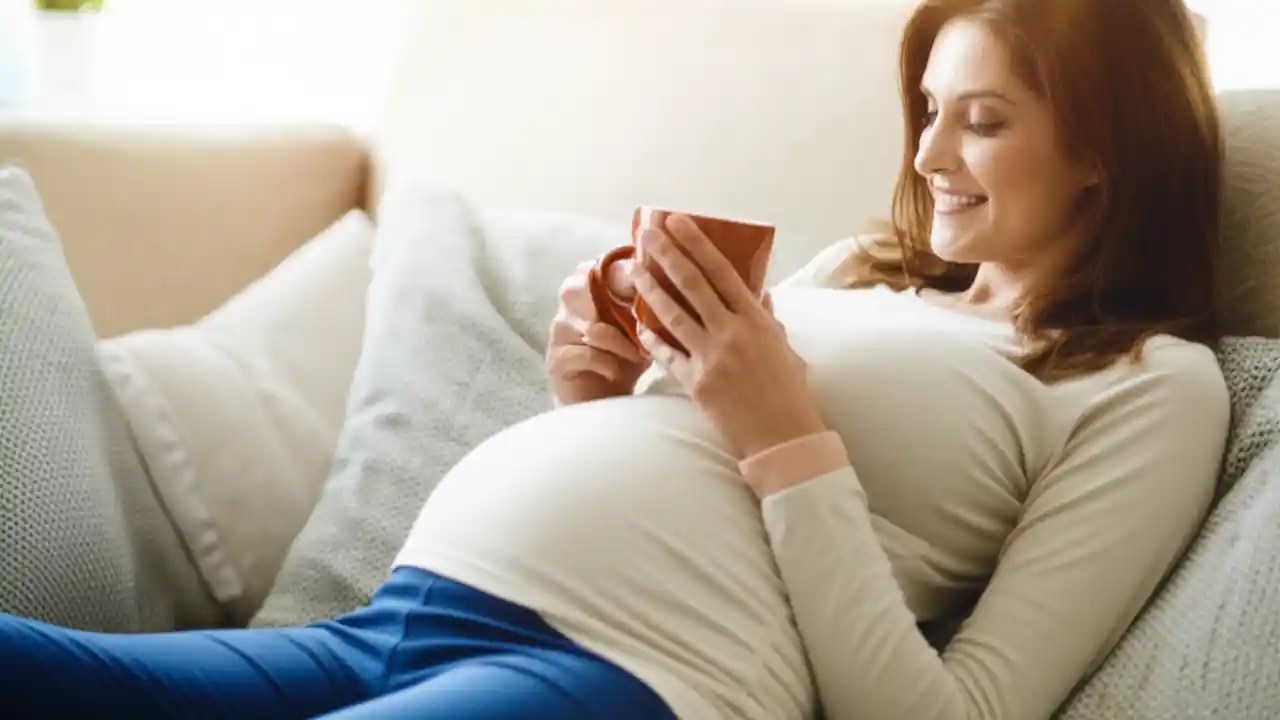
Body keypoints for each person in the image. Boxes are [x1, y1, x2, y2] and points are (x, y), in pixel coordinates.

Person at [0, 0, 1228, 717]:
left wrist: (777, 425)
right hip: (418, 610)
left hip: (637, 673)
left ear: (1102, 151)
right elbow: (694, 465)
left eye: (983, 119)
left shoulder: (1147, 387)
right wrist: (596, 395)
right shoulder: (865, 268)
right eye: (926, 109)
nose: (926, 155)